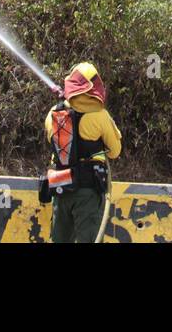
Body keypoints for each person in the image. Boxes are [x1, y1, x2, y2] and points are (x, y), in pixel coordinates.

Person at [42, 61, 122, 243]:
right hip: (88, 190)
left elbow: (51, 141)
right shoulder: (100, 115)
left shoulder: (54, 113)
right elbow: (115, 152)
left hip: (61, 187)